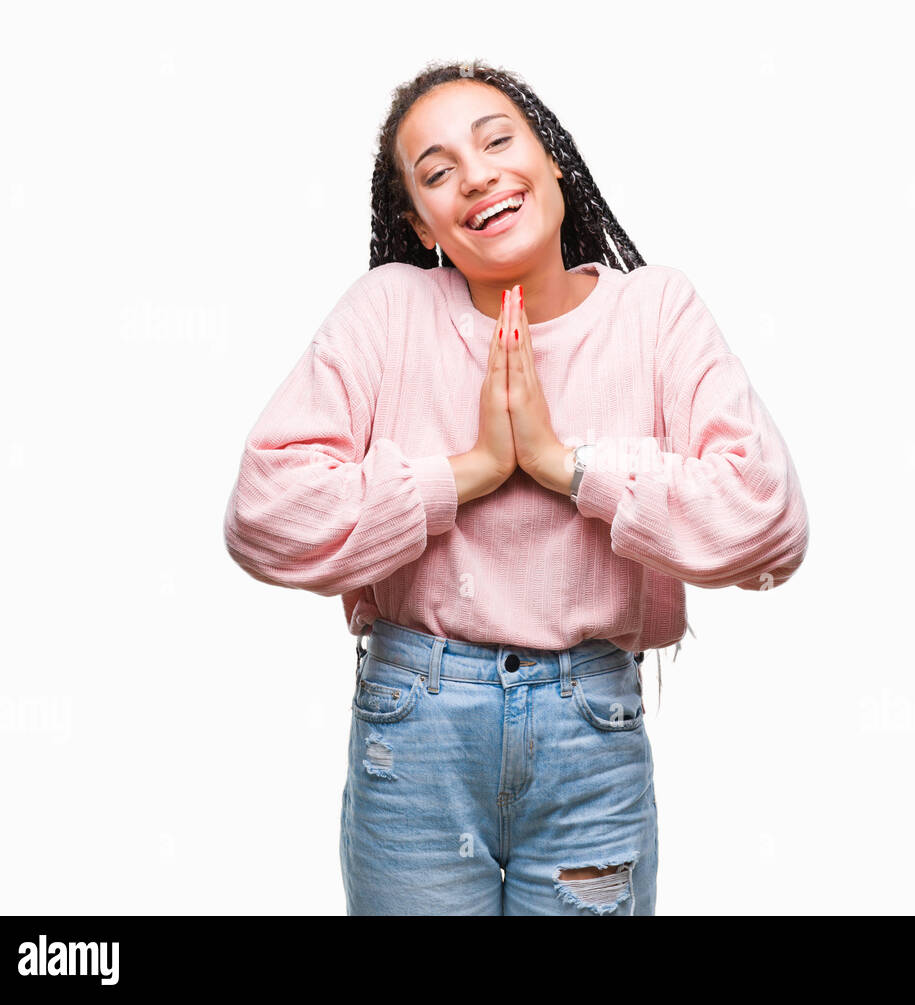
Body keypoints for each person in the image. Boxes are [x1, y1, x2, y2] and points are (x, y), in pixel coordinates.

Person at [222, 59, 810, 915]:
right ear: (424, 225)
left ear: (554, 165)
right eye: (437, 171)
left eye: (498, 140)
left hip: (592, 737)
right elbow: (263, 513)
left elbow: (769, 520)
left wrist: (569, 466)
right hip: (415, 731)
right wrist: (467, 474)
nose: (476, 174)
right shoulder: (390, 311)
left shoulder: (655, 313)